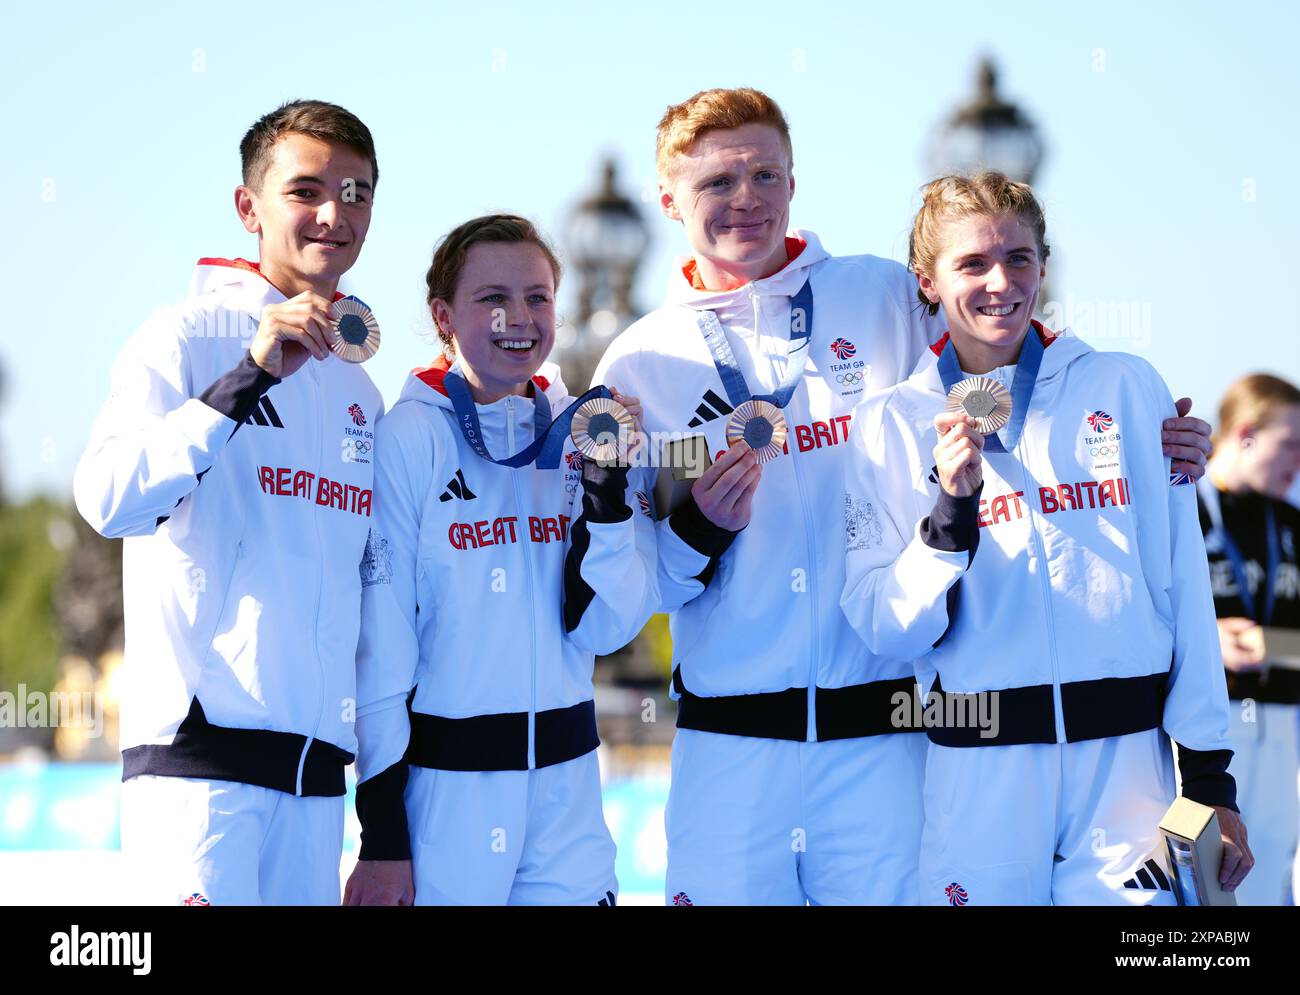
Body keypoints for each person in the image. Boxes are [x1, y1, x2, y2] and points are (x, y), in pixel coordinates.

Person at [592, 87, 1216, 905]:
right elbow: (626, 599)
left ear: (793, 180)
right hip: (732, 742)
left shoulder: (880, 293)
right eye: (716, 183)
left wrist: (1142, 432)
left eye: (764, 174)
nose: (745, 199)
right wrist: (700, 528)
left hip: (890, 742)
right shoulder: (638, 364)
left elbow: (1008, 357)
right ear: (670, 199)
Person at [840, 171, 1251, 904]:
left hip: (1127, 777)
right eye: (972, 263)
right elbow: (885, 626)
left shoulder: (1125, 388)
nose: (1001, 281)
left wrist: (1214, 781)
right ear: (927, 281)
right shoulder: (889, 424)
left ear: (1044, 265)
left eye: (1019, 258)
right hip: (979, 774)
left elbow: (1184, 589)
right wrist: (948, 517)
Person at [73, 100, 382, 905]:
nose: (333, 213)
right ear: (248, 208)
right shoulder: (183, 337)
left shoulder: (360, 387)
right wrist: (243, 379)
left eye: (356, 193)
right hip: (199, 776)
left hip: (317, 788)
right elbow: (108, 499)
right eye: (306, 190)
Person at [343, 215, 657, 906]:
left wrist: (607, 497)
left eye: (538, 297)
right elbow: (383, 648)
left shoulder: (582, 428)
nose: (519, 318)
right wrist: (383, 834)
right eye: (493, 298)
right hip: (449, 795)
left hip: (569, 788)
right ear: (443, 315)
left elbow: (603, 628)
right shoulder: (409, 436)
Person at [1201, 373, 1300, 904]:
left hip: (1283, 730)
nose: (1298, 463)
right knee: (1201, 887)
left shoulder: (1290, 521)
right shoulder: (1180, 507)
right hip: (1203, 732)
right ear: (1244, 434)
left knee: (1262, 889)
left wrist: (1275, 646)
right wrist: (1203, 639)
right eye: (1291, 445)